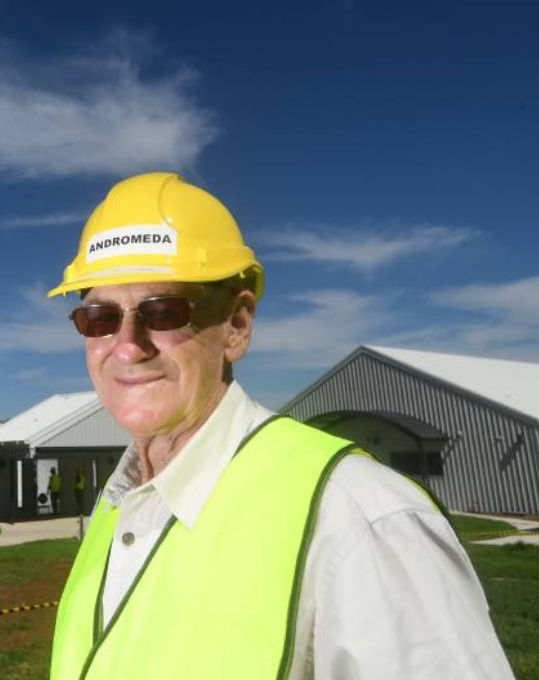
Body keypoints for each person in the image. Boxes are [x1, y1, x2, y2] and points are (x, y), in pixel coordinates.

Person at [48, 172, 513, 679]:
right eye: (99, 318)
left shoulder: (360, 519)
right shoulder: (118, 504)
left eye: (163, 312)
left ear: (236, 326)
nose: (127, 346)